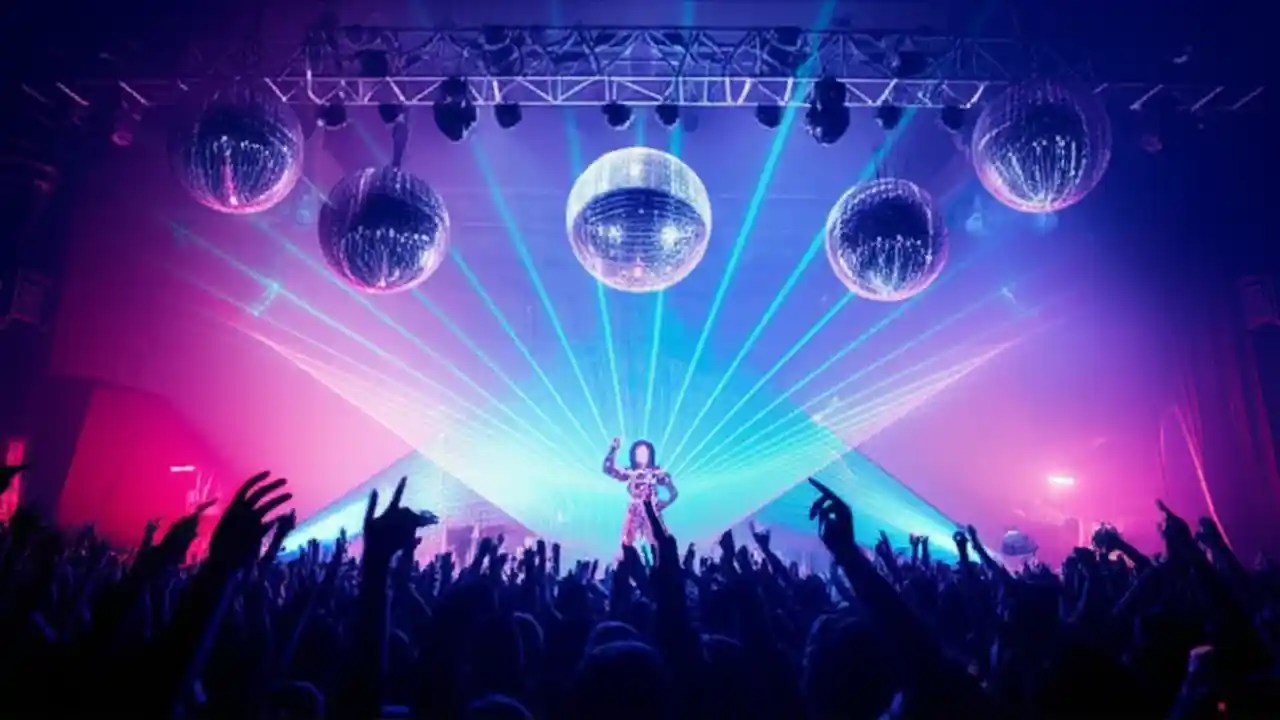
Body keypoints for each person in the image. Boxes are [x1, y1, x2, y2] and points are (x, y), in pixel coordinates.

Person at [602, 437, 678, 546]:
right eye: (639, 453)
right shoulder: (630, 473)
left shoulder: (657, 473)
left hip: (652, 512)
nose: (641, 456)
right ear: (634, 455)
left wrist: (663, 503)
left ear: (649, 454)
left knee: (659, 543)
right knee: (628, 544)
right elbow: (608, 469)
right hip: (634, 512)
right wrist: (612, 450)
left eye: (644, 453)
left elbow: (674, 492)